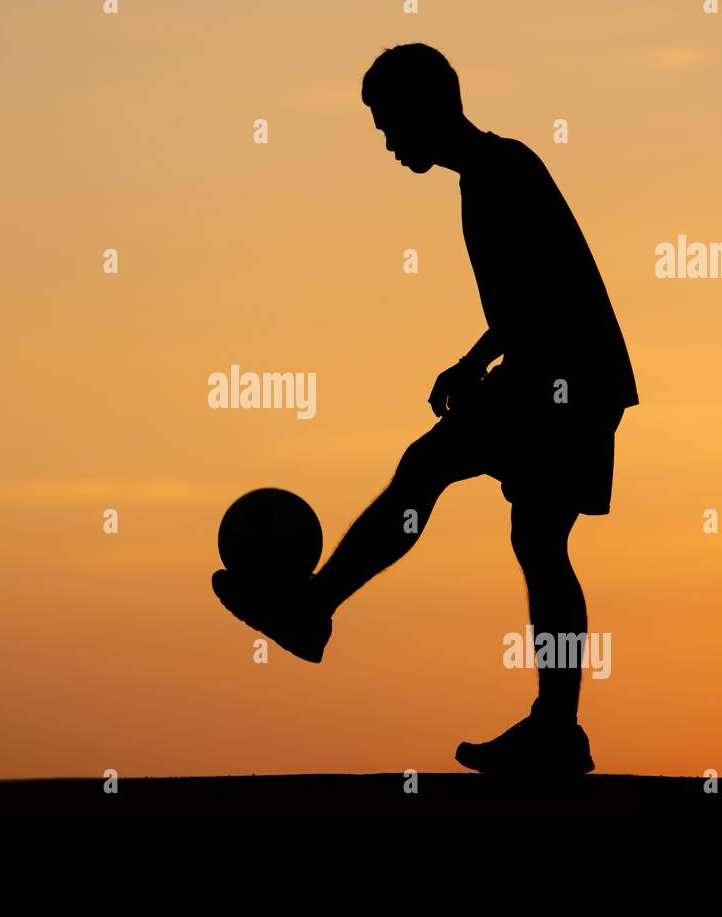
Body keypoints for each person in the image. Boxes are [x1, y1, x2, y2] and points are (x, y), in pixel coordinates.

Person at [213, 43, 639, 774]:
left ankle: (314, 610)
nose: (385, 140)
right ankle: (556, 729)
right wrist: (476, 363)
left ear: (427, 108)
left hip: (566, 379)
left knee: (433, 469)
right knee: (538, 542)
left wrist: (484, 371)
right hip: (572, 378)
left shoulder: (502, 173)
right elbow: (527, 300)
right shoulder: (489, 175)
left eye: (388, 122)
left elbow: (544, 296)